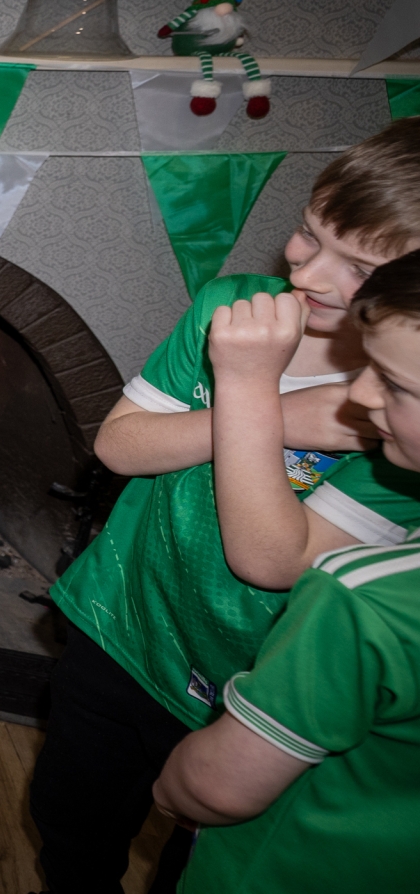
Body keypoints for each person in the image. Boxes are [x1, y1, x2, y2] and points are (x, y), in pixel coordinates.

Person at [32, 119, 420, 894]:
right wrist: (285, 414)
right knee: (69, 825)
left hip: (238, 686)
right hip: (121, 629)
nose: (308, 276)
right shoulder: (232, 308)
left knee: (189, 859)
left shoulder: (396, 422)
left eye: (360, 267)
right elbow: (120, 447)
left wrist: (248, 393)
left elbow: (269, 558)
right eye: (310, 236)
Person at [152, 249, 420, 893]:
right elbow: (119, 444)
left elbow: (213, 787)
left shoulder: (364, 598)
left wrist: (247, 388)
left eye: (398, 385)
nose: (356, 393)